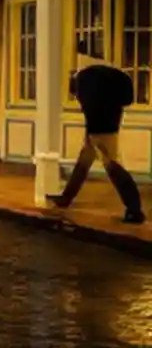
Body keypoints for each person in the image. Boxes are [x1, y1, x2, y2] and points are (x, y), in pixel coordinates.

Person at [48, 40, 145, 224]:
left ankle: (134, 209)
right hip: (109, 122)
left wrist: (92, 129)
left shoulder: (85, 79)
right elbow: (126, 98)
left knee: (113, 167)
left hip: (100, 127)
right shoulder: (108, 75)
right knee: (83, 163)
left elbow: (88, 104)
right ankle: (66, 198)